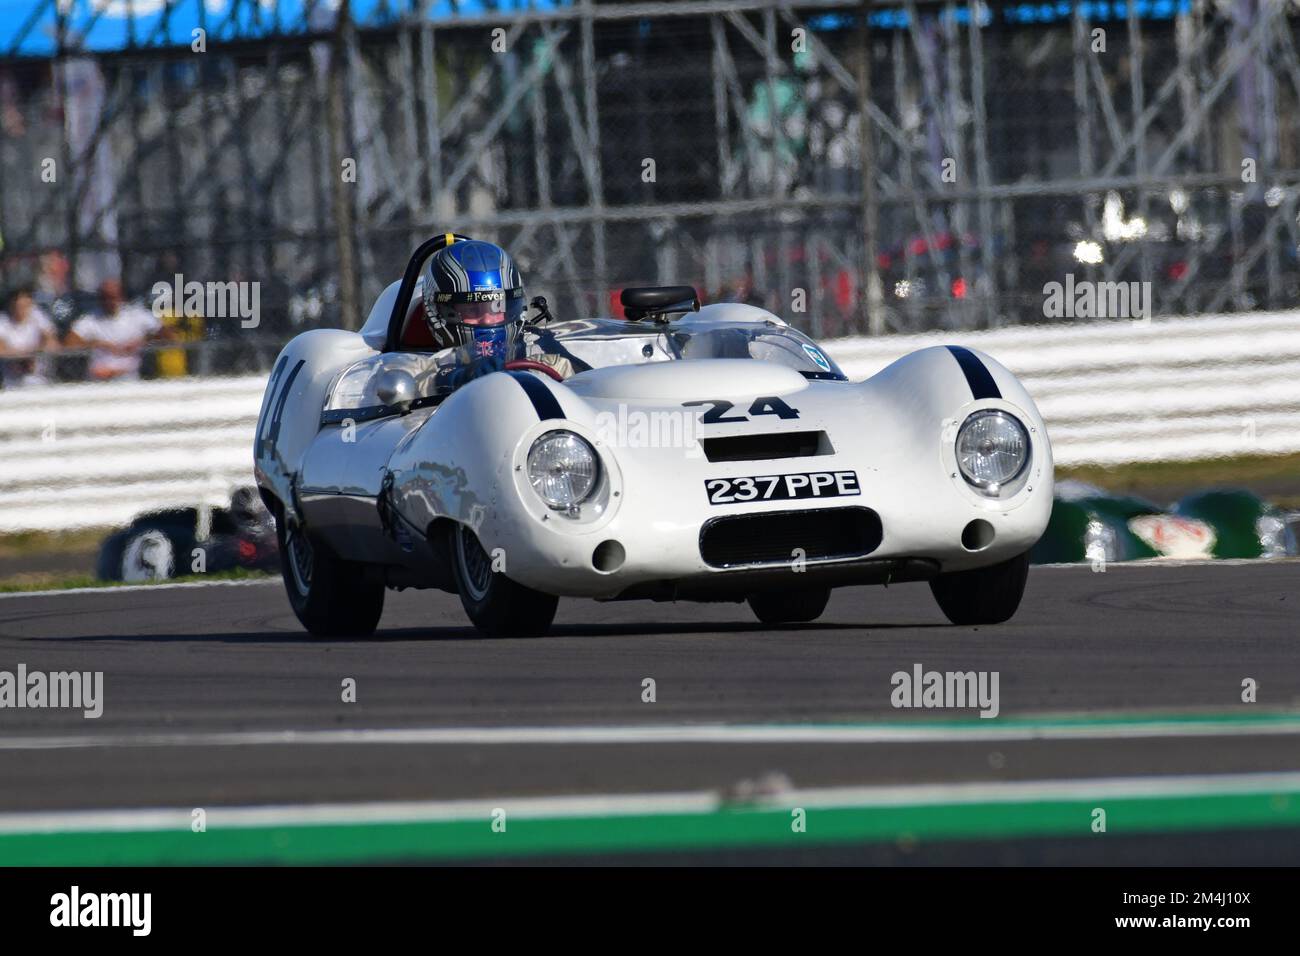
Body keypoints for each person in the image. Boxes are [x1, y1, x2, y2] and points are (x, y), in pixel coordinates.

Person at [420, 238, 578, 390]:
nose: (488, 319)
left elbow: (588, 384)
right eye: (472, 310)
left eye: (497, 307)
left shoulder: (540, 348)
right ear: (439, 311)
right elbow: (403, 385)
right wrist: (456, 379)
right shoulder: (421, 364)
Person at [65, 279, 167, 381]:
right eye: (105, 298)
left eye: (112, 297)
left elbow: (167, 334)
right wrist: (97, 344)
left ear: (121, 297)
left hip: (130, 379)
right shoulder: (91, 318)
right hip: (99, 380)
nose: (109, 302)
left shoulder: (136, 315)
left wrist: (142, 342)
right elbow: (68, 343)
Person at [0, 286, 60, 388]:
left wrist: (34, 355)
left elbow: (52, 343)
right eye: (17, 306)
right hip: (11, 380)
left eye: (25, 305)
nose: (21, 310)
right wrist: (23, 358)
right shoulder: (3, 320)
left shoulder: (38, 316)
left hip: (40, 378)